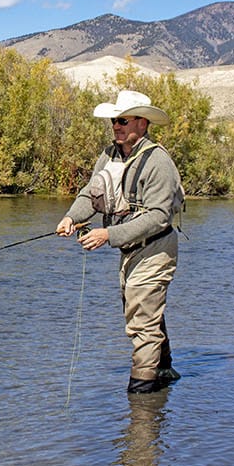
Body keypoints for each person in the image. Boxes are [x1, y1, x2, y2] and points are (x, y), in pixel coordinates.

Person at [57, 89, 182, 393]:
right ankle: (164, 369)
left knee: (141, 320)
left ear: (142, 123)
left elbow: (158, 217)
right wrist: (71, 217)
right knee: (143, 309)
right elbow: (90, 194)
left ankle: (141, 393)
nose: (116, 126)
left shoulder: (158, 161)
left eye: (123, 120)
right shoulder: (109, 155)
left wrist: (108, 235)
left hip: (156, 248)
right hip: (129, 250)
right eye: (114, 120)